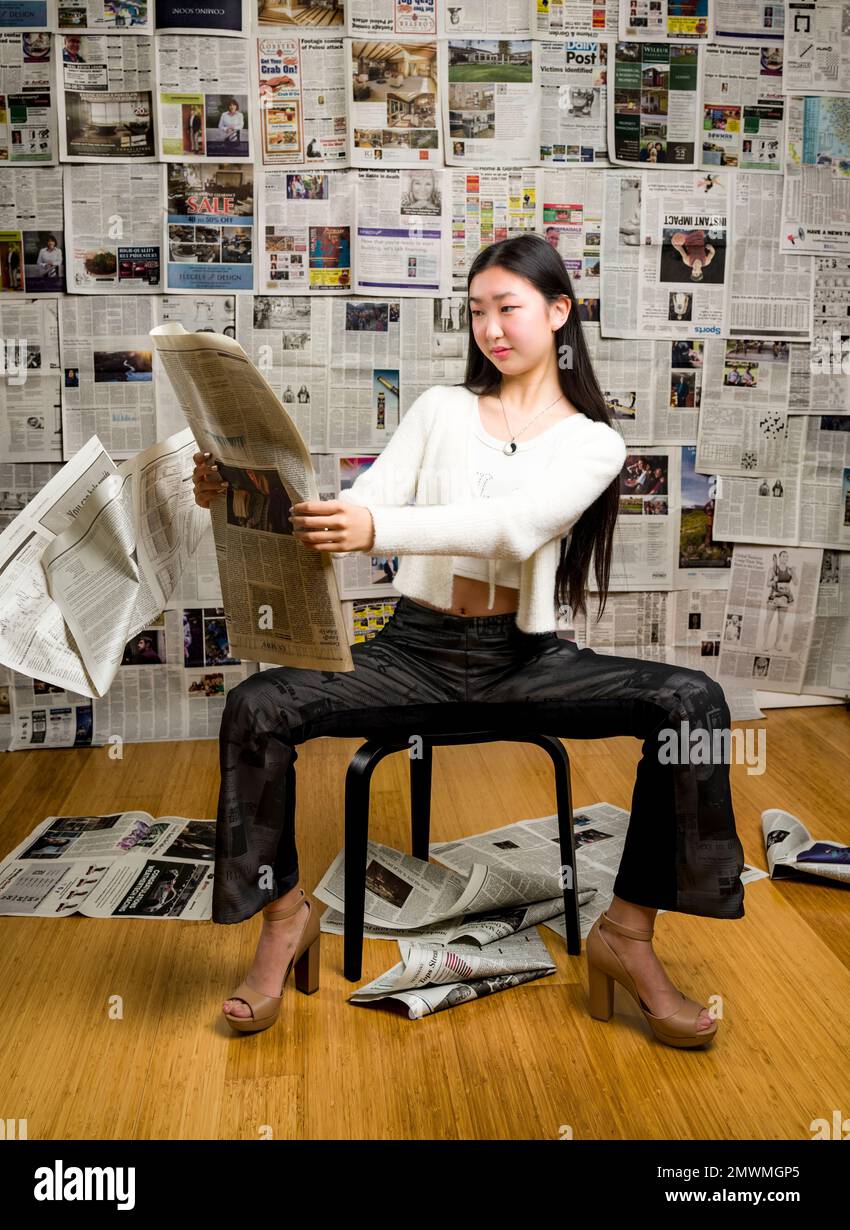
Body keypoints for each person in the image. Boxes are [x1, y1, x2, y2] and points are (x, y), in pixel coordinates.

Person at [193, 234, 745, 1045]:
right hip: (411, 653)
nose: (491, 327)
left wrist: (378, 524)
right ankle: (285, 919)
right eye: (477, 311)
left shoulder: (594, 440)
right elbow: (363, 502)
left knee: (691, 703)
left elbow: (514, 529)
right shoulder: (440, 409)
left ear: (559, 313)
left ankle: (626, 935)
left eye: (508, 308)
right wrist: (237, 492)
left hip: (523, 662)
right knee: (255, 705)